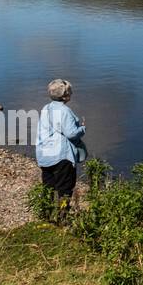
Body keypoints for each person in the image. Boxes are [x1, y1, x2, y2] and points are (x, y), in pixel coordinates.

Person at [36, 79, 86, 216]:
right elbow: (71, 133)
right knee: (65, 188)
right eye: (70, 91)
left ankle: (47, 214)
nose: (72, 93)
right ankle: (62, 216)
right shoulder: (65, 111)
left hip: (45, 154)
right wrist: (82, 128)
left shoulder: (45, 108)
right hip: (61, 156)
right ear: (65, 96)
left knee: (49, 187)